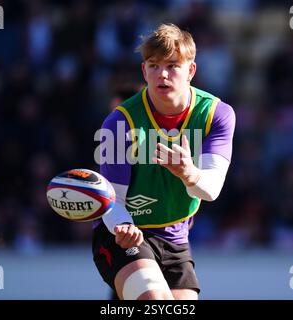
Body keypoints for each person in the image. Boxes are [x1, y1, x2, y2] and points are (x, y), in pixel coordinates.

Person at [92, 23, 236, 300]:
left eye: (172, 65)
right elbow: (112, 202)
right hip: (123, 235)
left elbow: (211, 190)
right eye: (154, 65)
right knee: (154, 301)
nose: (163, 74)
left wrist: (189, 173)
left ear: (191, 71)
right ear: (144, 71)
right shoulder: (119, 122)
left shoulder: (216, 115)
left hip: (175, 236)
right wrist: (124, 227)